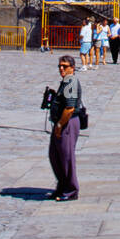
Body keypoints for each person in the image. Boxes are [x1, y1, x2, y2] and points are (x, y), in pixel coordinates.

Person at [48, 55, 82, 201]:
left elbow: (69, 107)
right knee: (55, 156)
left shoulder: (71, 81)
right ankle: (62, 185)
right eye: (60, 66)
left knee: (66, 157)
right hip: (61, 122)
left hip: (67, 123)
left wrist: (60, 125)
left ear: (72, 68)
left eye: (65, 66)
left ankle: (70, 190)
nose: (61, 68)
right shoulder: (66, 81)